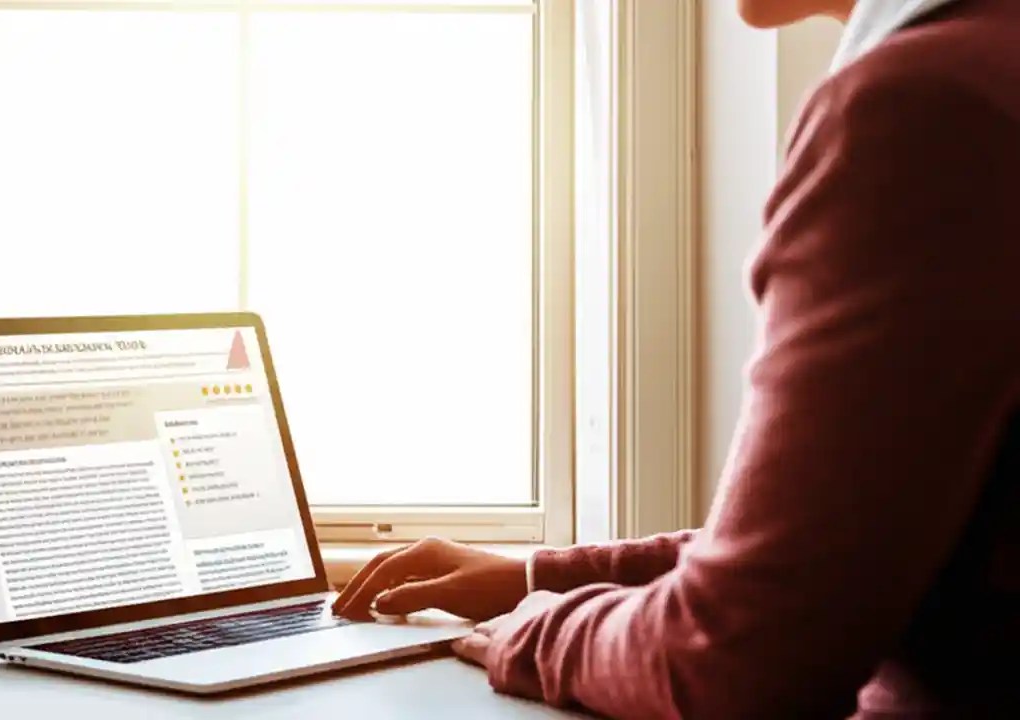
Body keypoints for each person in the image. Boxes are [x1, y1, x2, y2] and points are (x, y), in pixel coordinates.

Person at [332, 0, 1020, 716]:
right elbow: (842, 546)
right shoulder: (989, 64)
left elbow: (737, 656)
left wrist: (533, 630)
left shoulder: (923, 107)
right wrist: (537, 574)